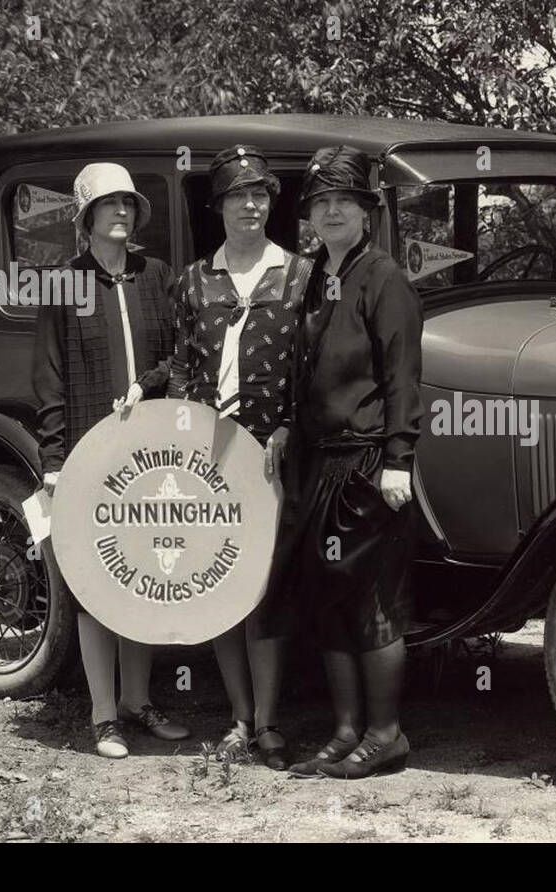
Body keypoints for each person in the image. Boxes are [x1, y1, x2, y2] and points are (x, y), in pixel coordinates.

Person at [33, 163, 191, 758]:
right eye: (109, 204)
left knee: (143, 574)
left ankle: (137, 699)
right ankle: (104, 715)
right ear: (87, 219)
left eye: (128, 203)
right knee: (97, 583)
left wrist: (148, 385)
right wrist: (54, 459)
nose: (122, 211)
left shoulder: (158, 276)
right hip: (86, 450)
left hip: (152, 451)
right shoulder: (62, 284)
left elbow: (181, 352)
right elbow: (48, 379)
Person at [169, 145, 312, 769]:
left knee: (266, 587)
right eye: (236, 195)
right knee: (222, 585)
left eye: (259, 195)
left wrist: (289, 427)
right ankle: (239, 717)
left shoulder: (301, 275)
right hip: (206, 457)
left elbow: (312, 371)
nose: (249, 204)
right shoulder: (195, 280)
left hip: (272, 454)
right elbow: (181, 368)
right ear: (219, 205)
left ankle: (273, 722)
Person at [283, 145, 423, 779]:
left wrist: (399, 457)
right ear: (310, 215)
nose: (332, 210)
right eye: (321, 202)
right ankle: (345, 731)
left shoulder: (384, 277)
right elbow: (303, 370)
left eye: (344, 201)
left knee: (373, 602)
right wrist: (289, 426)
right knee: (327, 599)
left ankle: (386, 734)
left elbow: (402, 376)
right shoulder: (317, 275)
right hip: (318, 463)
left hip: (367, 462)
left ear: (367, 213)